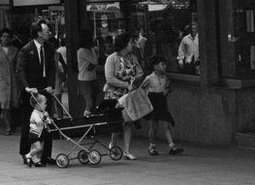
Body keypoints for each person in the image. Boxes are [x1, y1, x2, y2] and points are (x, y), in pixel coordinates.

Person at [15, 20, 56, 165]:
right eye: (46, 31)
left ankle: (46, 155)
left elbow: (52, 69)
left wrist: (51, 85)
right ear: (38, 33)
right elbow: (20, 70)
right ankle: (25, 153)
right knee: (29, 123)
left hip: (45, 89)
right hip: (31, 91)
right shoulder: (26, 50)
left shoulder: (49, 47)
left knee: (47, 122)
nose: (49, 33)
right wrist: (27, 87)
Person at [103, 32, 144, 160]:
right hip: (114, 94)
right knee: (117, 122)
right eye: (130, 42)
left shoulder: (132, 57)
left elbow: (140, 72)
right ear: (124, 44)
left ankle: (127, 151)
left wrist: (133, 79)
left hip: (128, 94)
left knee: (128, 122)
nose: (132, 45)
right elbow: (109, 78)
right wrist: (126, 84)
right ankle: (113, 145)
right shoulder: (112, 59)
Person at [141, 55, 183, 156]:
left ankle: (172, 146)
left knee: (166, 123)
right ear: (155, 66)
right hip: (153, 101)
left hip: (162, 101)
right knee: (154, 125)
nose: (165, 66)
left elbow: (169, 87)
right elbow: (141, 89)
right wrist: (145, 98)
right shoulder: (149, 78)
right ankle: (152, 146)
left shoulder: (165, 77)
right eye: (162, 64)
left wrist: (167, 90)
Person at [23, 93, 52, 167]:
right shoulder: (35, 114)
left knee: (39, 149)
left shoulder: (42, 112)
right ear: (38, 104)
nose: (46, 105)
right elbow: (39, 123)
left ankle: (37, 161)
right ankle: (27, 156)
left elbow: (47, 121)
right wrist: (45, 118)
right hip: (34, 134)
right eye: (44, 103)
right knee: (38, 148)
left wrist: (49, 120)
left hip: (40, 133)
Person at [75, 30, 99, 117]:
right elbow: (95, 61)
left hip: (92, 77)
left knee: (94, 103)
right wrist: (93, 49)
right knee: (89, 103)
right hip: (85, 80)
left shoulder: (88, 50)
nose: (93, 39)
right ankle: (85, 120)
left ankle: (92, 120)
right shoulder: (82, 51)